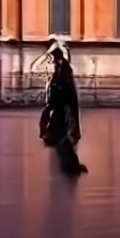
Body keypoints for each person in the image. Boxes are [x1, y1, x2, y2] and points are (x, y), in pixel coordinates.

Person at [41, 46, 87, 178]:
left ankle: (71, 164)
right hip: (59, 105)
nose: (52, 61)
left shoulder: (64, 70)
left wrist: (56, 100)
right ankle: (69, 163)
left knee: (62, 134)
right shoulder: (61, 69)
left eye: (53, 58)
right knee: (59, 133)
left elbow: (65, 89)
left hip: (62, 106)